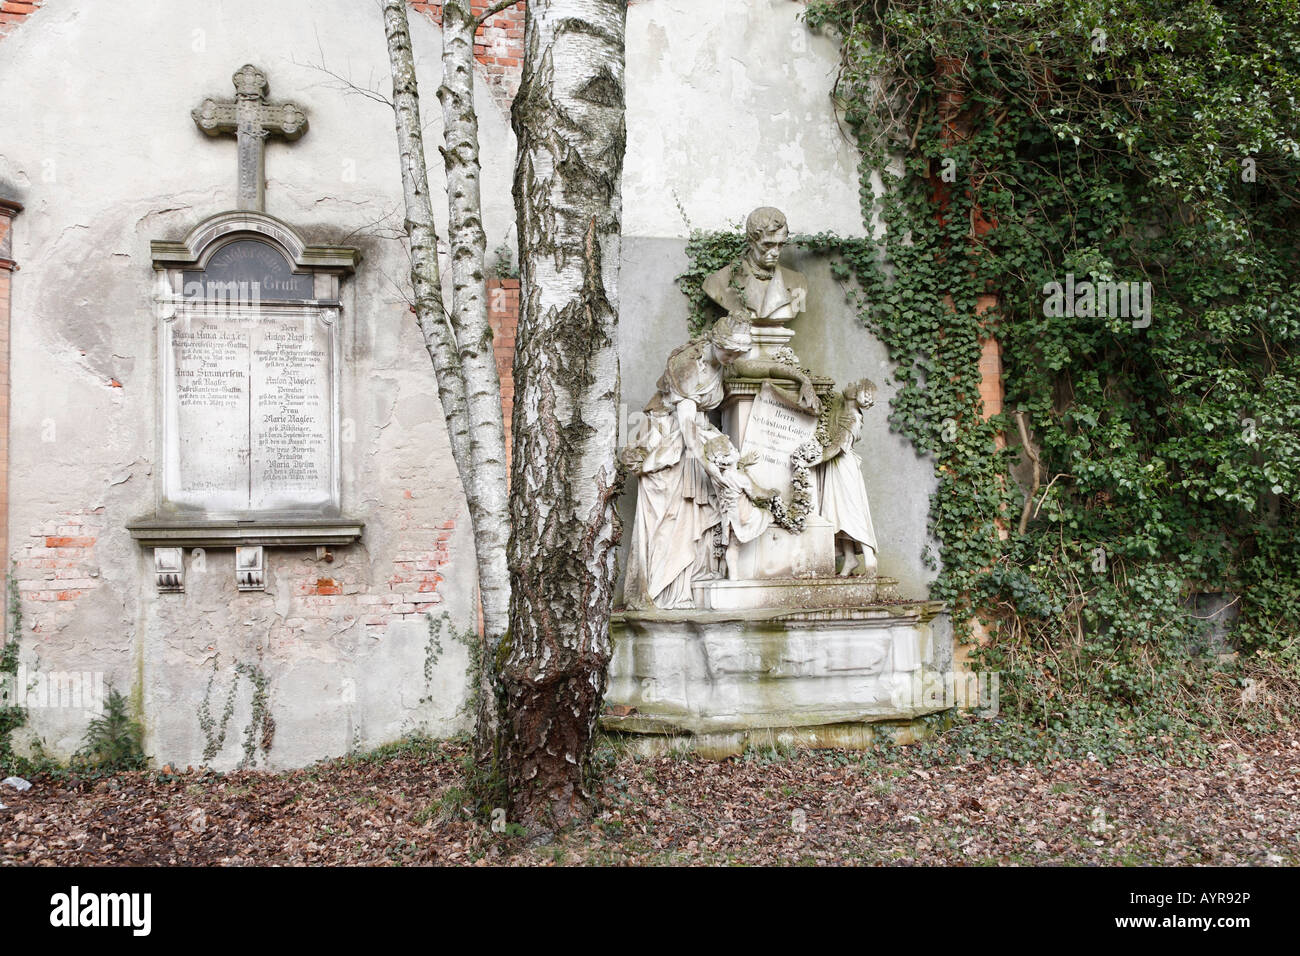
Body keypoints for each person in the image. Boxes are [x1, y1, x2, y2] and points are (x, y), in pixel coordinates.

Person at [621, 314, 772, 609]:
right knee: (673, 518)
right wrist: (713, 470)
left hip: (694, 438)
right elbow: (688, 431)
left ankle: (687, 585)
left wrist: (798, 377)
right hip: (669, 442)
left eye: (737, 354)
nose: (732, 359)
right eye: (729, 352)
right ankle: (663, 591)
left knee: (692, 515)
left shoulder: (720, 359)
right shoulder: (689, 366)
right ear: (716, 342)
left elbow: (754, 367)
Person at [702, 206, 809, 325]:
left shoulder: (798, 282)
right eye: (768, 245)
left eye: (780, 245)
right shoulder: (718, 282)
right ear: (751, 243)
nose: (775, 252)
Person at [816, 379, 880, 576]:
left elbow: (837, 447)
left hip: (843, 465)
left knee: (852, 511)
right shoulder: (840, 406)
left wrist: (810, 459)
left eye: (854, 384)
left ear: (857, 394)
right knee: (838, 513)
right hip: (835, 467)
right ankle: (849, 559)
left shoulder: (852, 417)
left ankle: (870, 559)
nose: (849, 382)